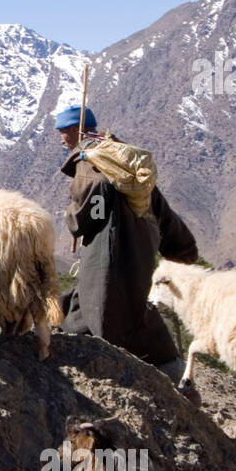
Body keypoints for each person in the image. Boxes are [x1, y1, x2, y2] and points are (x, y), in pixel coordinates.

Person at [54, 106, 202, 404]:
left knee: (96, 322)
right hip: (138, 268)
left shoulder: (92, 165)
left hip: (106, 270)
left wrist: (71, 216)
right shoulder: (131, 167)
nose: (62, 140)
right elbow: (162, 213)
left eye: (64, 133)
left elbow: (88, 218)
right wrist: (182, 249)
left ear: (75, 131)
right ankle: (182, 387)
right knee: (140, 326)